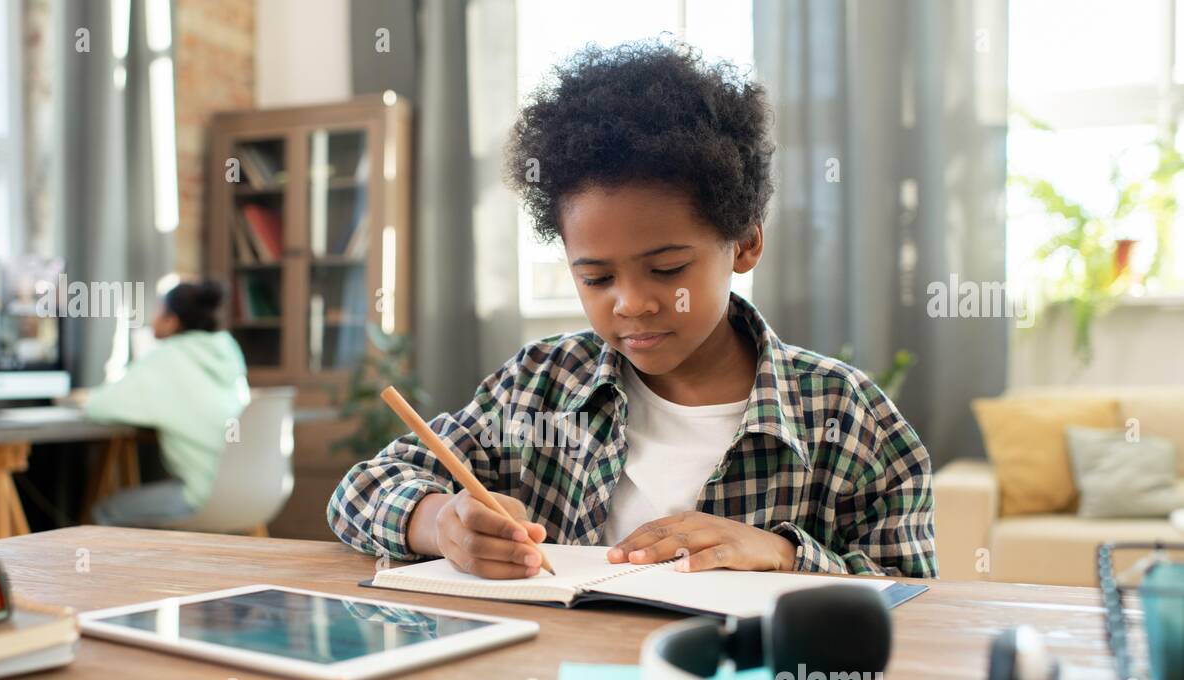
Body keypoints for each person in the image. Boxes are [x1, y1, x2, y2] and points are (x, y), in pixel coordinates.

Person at [327, 41, 936, 579]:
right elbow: (360, 491)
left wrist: (783, 554)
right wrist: (440, 523)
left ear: (746, 243)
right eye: (595, 277)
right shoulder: (540, 385)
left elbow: (917, 594)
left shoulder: (847, 415)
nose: (632, 303)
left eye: (668, 269)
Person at [86, 280, 249, 527]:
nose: (153, 318)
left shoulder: (166, 358)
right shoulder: (227, 350)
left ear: (171, 320)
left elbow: (97, 407)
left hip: (200, 496)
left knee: (105, 511)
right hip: (247, 492)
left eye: (157, 310)